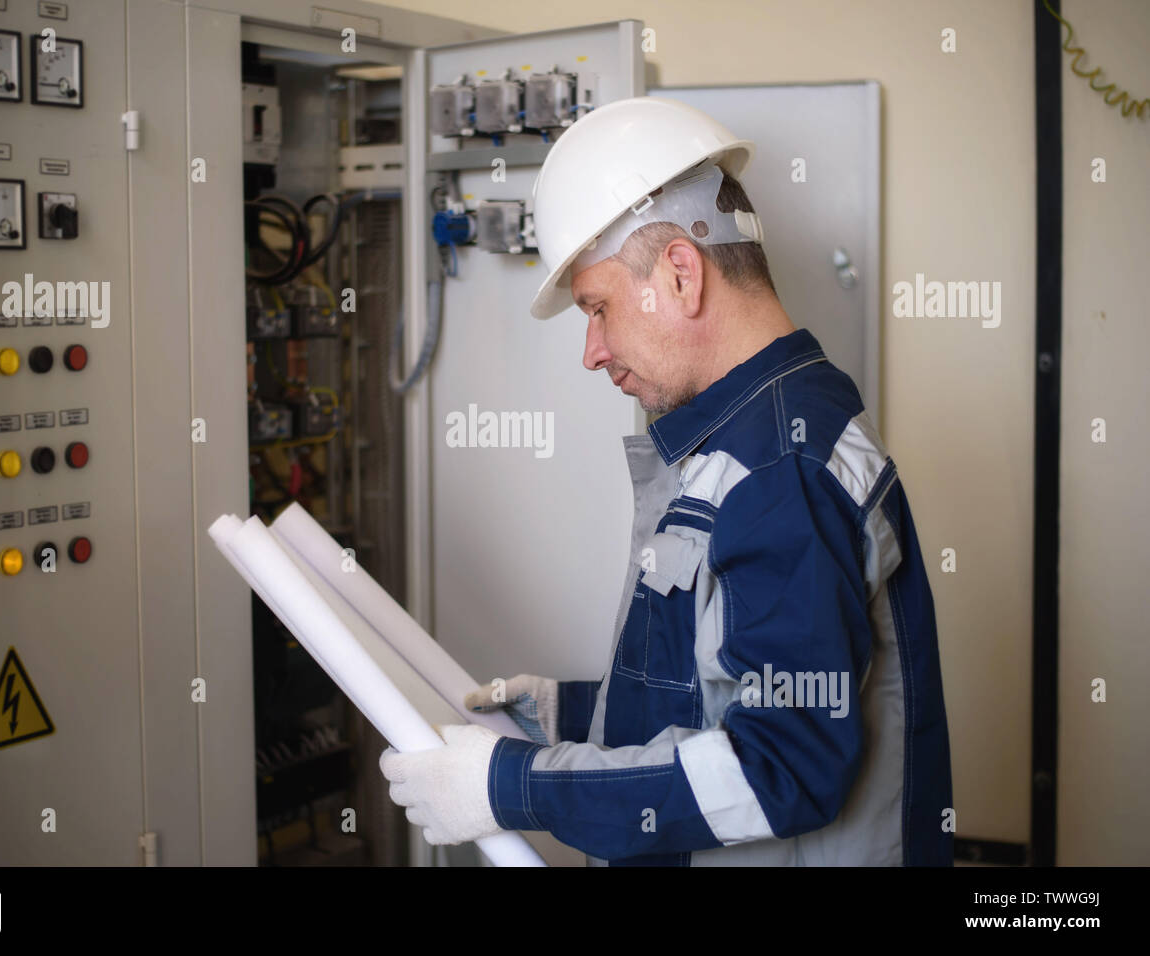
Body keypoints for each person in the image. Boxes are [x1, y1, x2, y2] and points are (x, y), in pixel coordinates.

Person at [379, 96, 953, 866]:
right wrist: (572, 714)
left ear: (681, 273)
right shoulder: (752, 438)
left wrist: (514, 787)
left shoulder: (778, 469)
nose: (592, 351)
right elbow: (717, 692)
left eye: (598, 309)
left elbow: (782, 766)